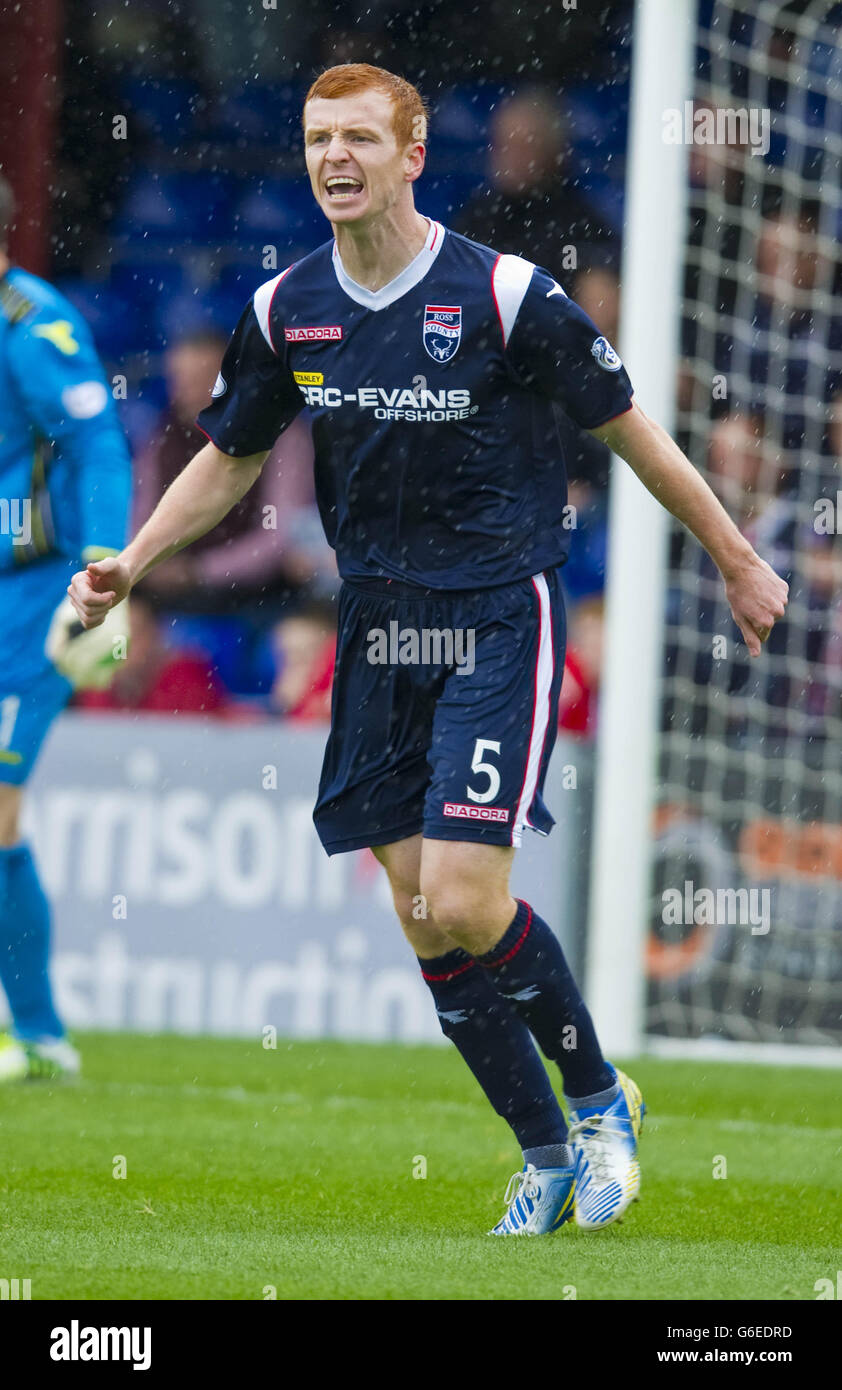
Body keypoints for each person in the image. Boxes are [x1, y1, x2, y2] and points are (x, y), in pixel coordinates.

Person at [67, 63, 788, 1236]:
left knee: (463, 891)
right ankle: (544, 1150)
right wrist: (134, 562)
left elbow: (630, 430)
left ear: (412, 155)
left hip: (497, 613)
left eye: (358, 136)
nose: (331, 157)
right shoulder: (284, 308)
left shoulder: (504, 295)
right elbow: (232, 456)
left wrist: (734, 558)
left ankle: (603, 1103)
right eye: (313, 138)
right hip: (376, 628)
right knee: (417, 911)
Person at [0, 175, 132, 1081]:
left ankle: (41, 1033)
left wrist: (99, 571)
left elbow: (98, 444)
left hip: (27, 599)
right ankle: (41, 1033)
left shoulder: (29, 325)